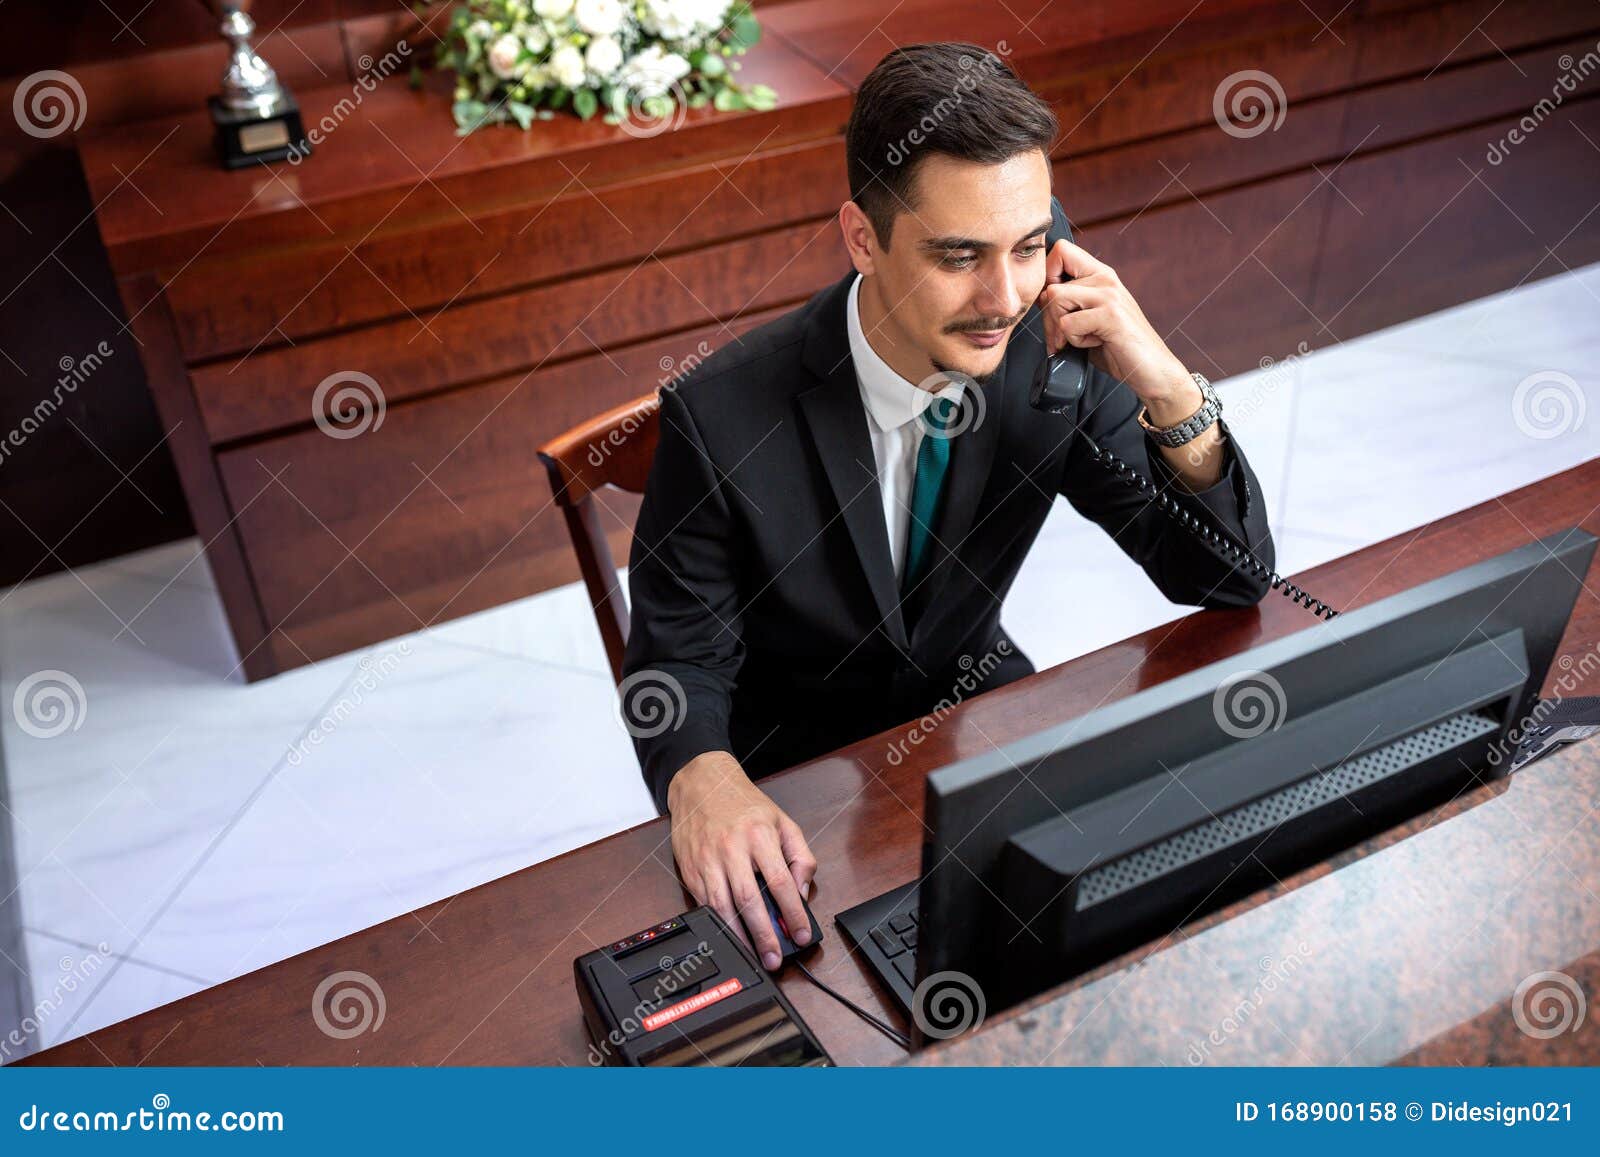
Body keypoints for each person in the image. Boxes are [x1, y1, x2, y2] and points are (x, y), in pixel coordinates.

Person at [620, 42, 1274, 969]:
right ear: (862, 237)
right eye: (959, 255)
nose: (1002, 298)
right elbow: (675, 663)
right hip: (797, 785)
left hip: (978, 721)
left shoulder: (1051, 349)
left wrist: (1166, 382)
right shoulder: (720, 415)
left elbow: (1228, 574)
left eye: (1029, 245)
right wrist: (702, 777)